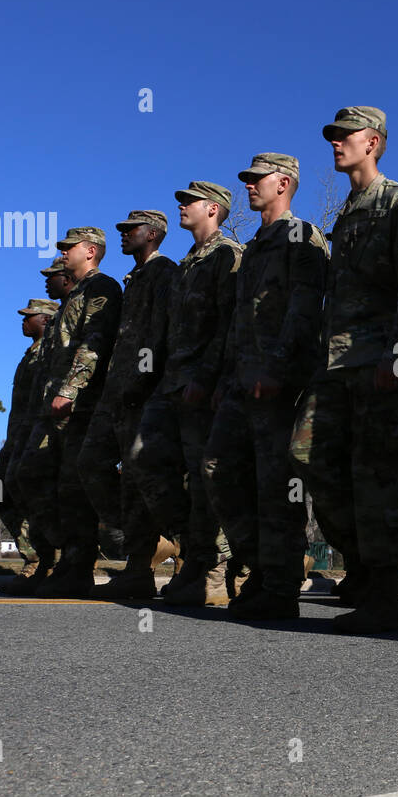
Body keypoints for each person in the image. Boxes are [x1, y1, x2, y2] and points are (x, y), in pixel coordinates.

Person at [289, 106, 398, 634]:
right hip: (337, 363)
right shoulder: (347, 212)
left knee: (379, 476)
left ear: (373, 142)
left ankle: (385, 591)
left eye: (345, 136)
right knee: (308, 454)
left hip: (380, 362)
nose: (335, 144)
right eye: (333, 136)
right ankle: (368, 570)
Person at [204, 154, 328, 620]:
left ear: (284, 183)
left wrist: (276, 368)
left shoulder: (301, 234)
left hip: (279, 382)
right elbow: (240, 320)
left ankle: (279, 586)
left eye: (257, 180)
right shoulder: (253, 246)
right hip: (242, 381)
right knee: (218, 467)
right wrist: (227, 376)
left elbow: (304, 307)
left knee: (278, 485)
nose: (250, 187)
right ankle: (260, 567)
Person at [130, 182, 243, 606]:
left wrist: (210, 377)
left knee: (204, 479)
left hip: (202, 384)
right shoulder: (185, 266)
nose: (181, 207)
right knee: (144, 460)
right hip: (170, 382)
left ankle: (211, 568)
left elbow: (228, 323)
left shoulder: (228, 256)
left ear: (212, 209)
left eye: (188, 202)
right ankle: (191, 547)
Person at [15, 227, 124, 598]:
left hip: (82, 404)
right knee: (33, 475)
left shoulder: (101, 287)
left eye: (69, 248)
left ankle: (86, 561)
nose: (62, 254)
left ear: (91, 251)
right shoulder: (72, 297)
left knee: (74, 486)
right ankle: (66, 558)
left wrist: (70, 390)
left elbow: (94, 343)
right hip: (55, 407)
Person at [78, 210, 179, 599]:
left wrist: (146, 380)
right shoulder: (133, 279)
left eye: (130, 229)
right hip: (116, 393)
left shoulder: (163, 273)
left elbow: (161, 334)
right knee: (92, 464)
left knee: (142, 478)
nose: (123, 234)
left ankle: (147, 561)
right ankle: (151, 546)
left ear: (151, 234)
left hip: (145, 392)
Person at [0, 298, 56, 589]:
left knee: (32, 492)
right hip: (16, 435)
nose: (23, 320)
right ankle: (34, 556)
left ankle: (44, 561)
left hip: (34, 434)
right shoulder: (30, 353)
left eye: (29, 316)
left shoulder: (50, 352)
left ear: (45, 321)